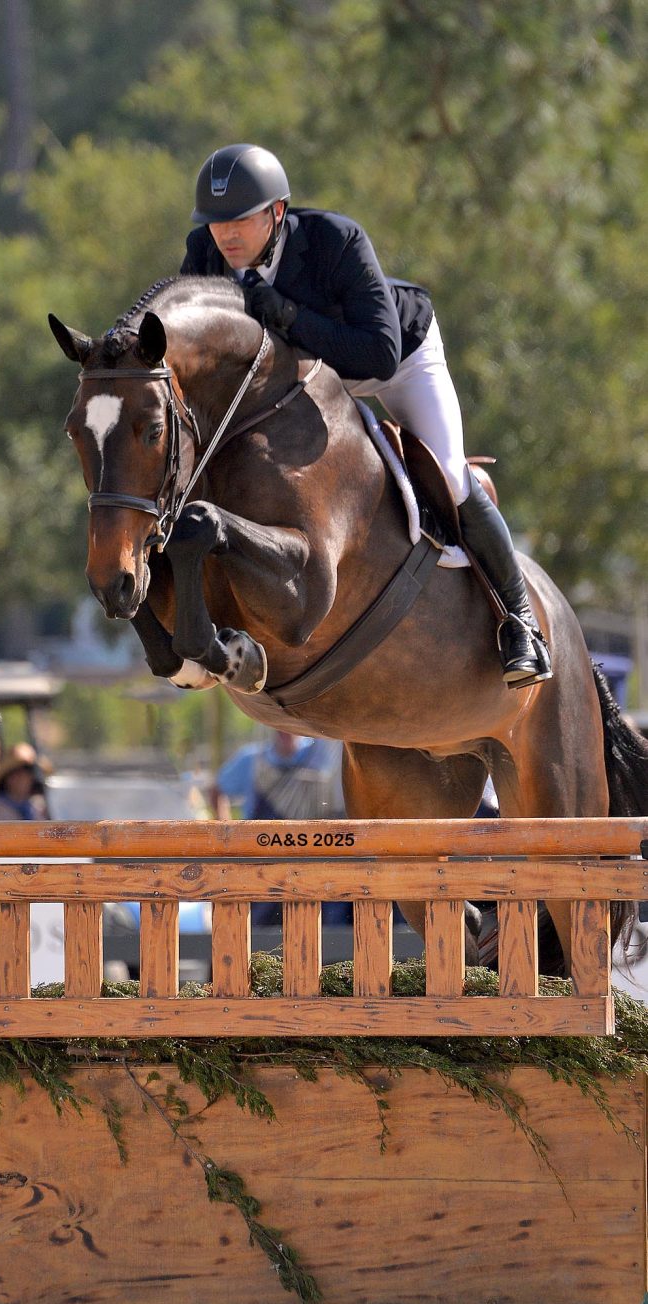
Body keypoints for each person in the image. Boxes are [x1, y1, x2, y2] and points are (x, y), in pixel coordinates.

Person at [183, 143, 551, 689]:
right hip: (305, 374)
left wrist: (290, 316)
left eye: (240, 220)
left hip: (397, 361)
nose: (226, 235)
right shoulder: (205, 254)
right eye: (217, 223)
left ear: (277, 212)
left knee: (449, 475)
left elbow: (378, 352)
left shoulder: (335, 240)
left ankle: (520, 624)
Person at [212, 728, 349, 926]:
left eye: (290, 725)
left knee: (326, 929)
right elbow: (217, 790)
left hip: (313, 863)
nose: (286, 731)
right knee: (259, 933)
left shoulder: (321, 755)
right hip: (262, 865)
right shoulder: (252, 760)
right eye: (280, 725)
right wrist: (227, 835)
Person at [0, 743, 49, 821]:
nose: (22, 778)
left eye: (27, 771)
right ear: (7, 778)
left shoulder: (38, 807)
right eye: (16, 772)